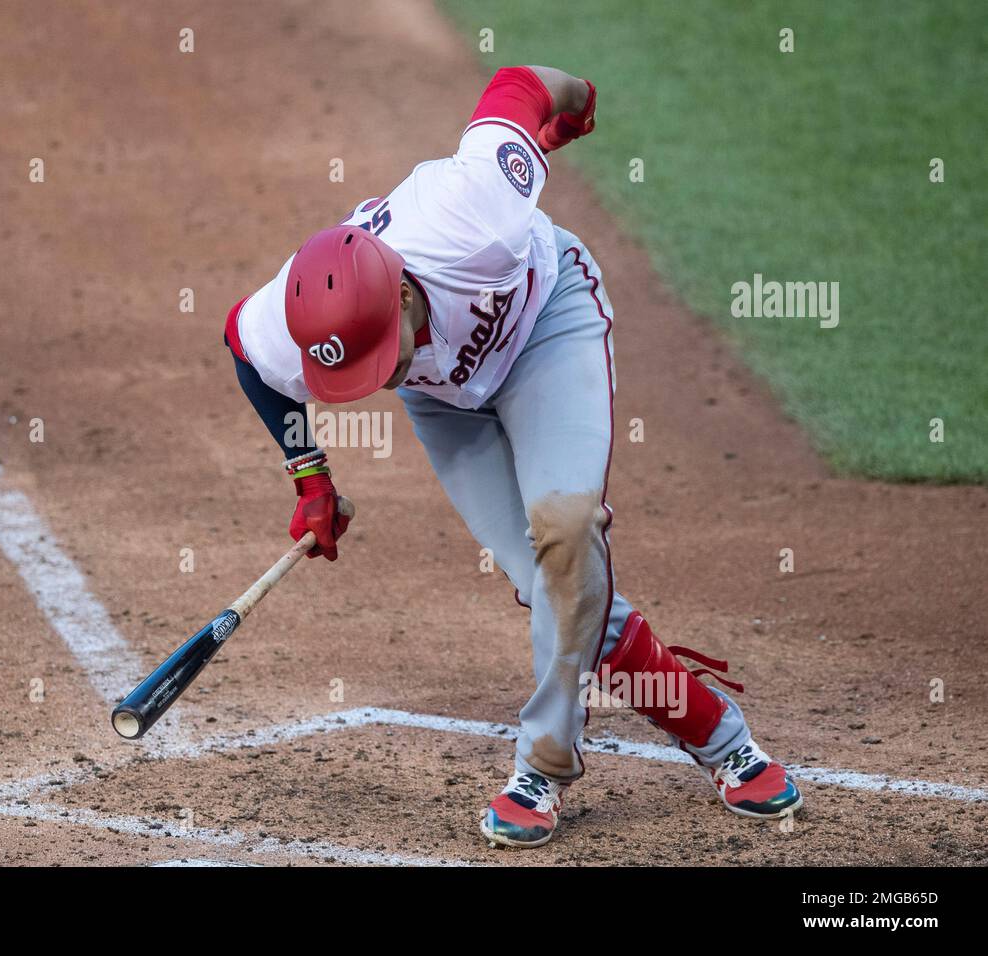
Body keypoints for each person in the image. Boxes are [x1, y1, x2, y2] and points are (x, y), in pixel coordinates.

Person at [224, 66, 802, 848]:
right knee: (553, 588)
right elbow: (244, 351)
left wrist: (573, 107)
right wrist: (311, 478)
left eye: (379, 356)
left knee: (566, 532)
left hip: (548, 328)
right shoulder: (296, 312)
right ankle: (720, 737)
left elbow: (519, 83)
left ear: (399, 293)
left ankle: (542, 766)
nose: (376, 378)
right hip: (451, 404)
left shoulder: (474, 212)